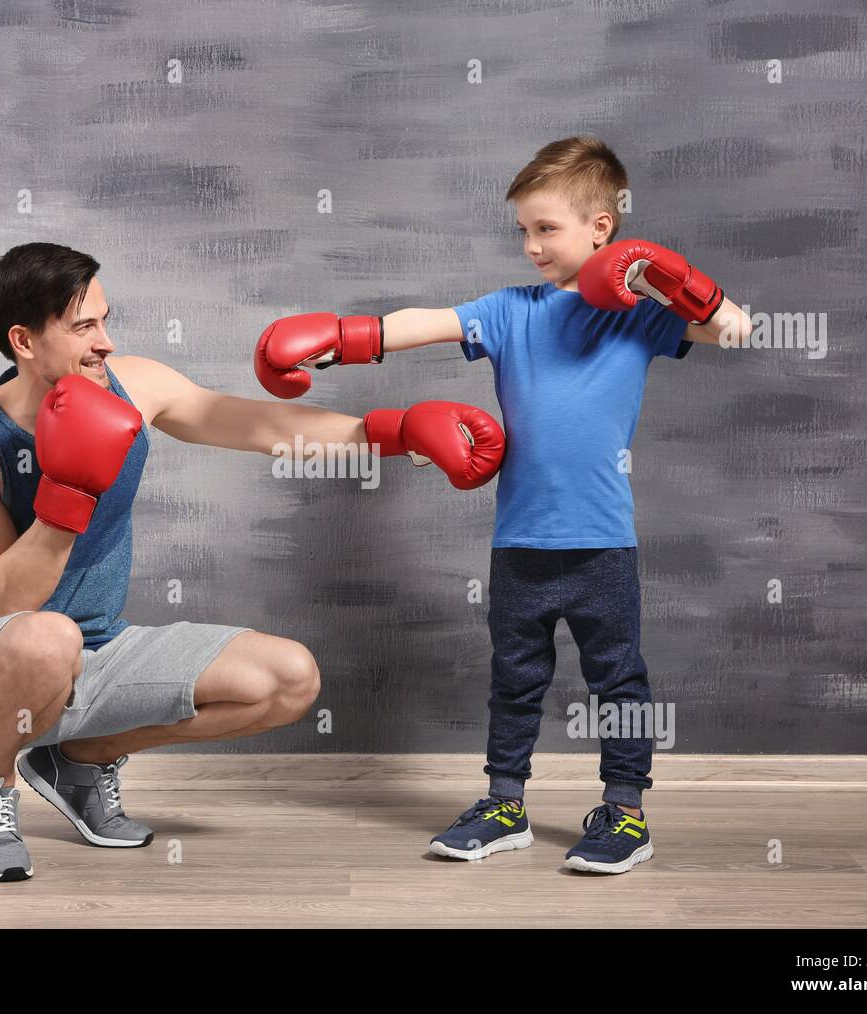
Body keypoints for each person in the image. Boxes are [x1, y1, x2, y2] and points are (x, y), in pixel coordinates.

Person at [0, 242, 505, 881]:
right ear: (24, 342)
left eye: (105, 320)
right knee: (46, 638)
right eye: (84, 326)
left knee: (288, 678)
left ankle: (80, 758)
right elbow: (9, 602)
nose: (105, 343)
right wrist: (67, 494)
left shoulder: (133, 386)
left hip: (97, 651)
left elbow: (257, 426)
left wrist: (392, 433)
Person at [253, 136, 753, 873]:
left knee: (618, 677)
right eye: (523, 230)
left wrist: (678, 283)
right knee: (515, 676)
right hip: (519, 541)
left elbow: (732, 329)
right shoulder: (513, 310)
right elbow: (432, 320)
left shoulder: (637, 317)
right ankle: (505, 802)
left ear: (601, 229)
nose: (530, 246)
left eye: (546, 229)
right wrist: (340, 339)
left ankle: (625, 812)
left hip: (602, 542)